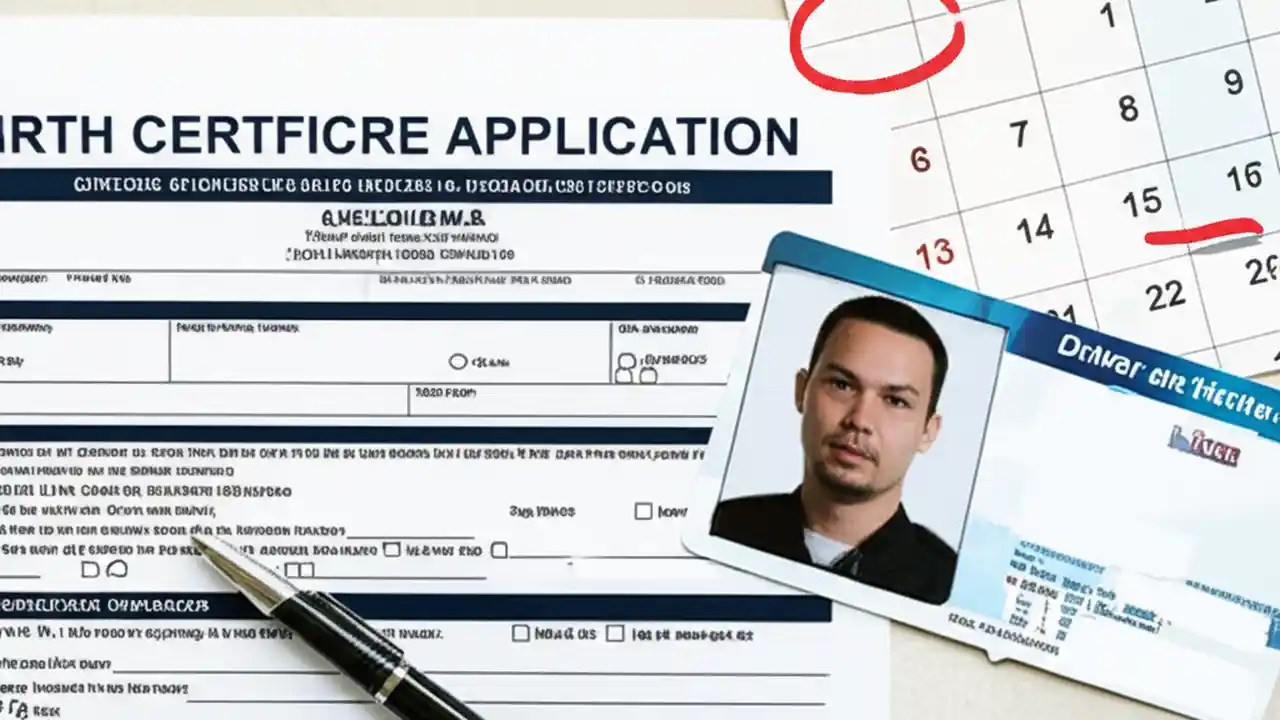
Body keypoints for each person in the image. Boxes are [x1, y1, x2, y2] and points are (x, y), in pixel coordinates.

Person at [711, 295, 957, 605]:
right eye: (842, 385)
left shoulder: (951, 589)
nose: (860, 420)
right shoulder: (719, 527)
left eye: (896, 401)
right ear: (802, 390)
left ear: (928, 431)